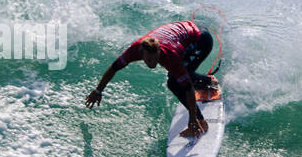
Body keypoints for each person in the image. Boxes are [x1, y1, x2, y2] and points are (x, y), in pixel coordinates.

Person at [84, 21, 216, 137]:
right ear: (142, 54)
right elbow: (114, 67)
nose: (152, 63)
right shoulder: (134, 50)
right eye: (148, 60)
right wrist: (98, 91)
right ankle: (204, 80)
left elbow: (187, 89)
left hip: (201, 40)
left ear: (159, 51)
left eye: (155, 59)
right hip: (185, 31)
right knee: (179, 76)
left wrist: (193, 118)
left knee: (174, 82)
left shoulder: (169, 55)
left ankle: (201, 118)